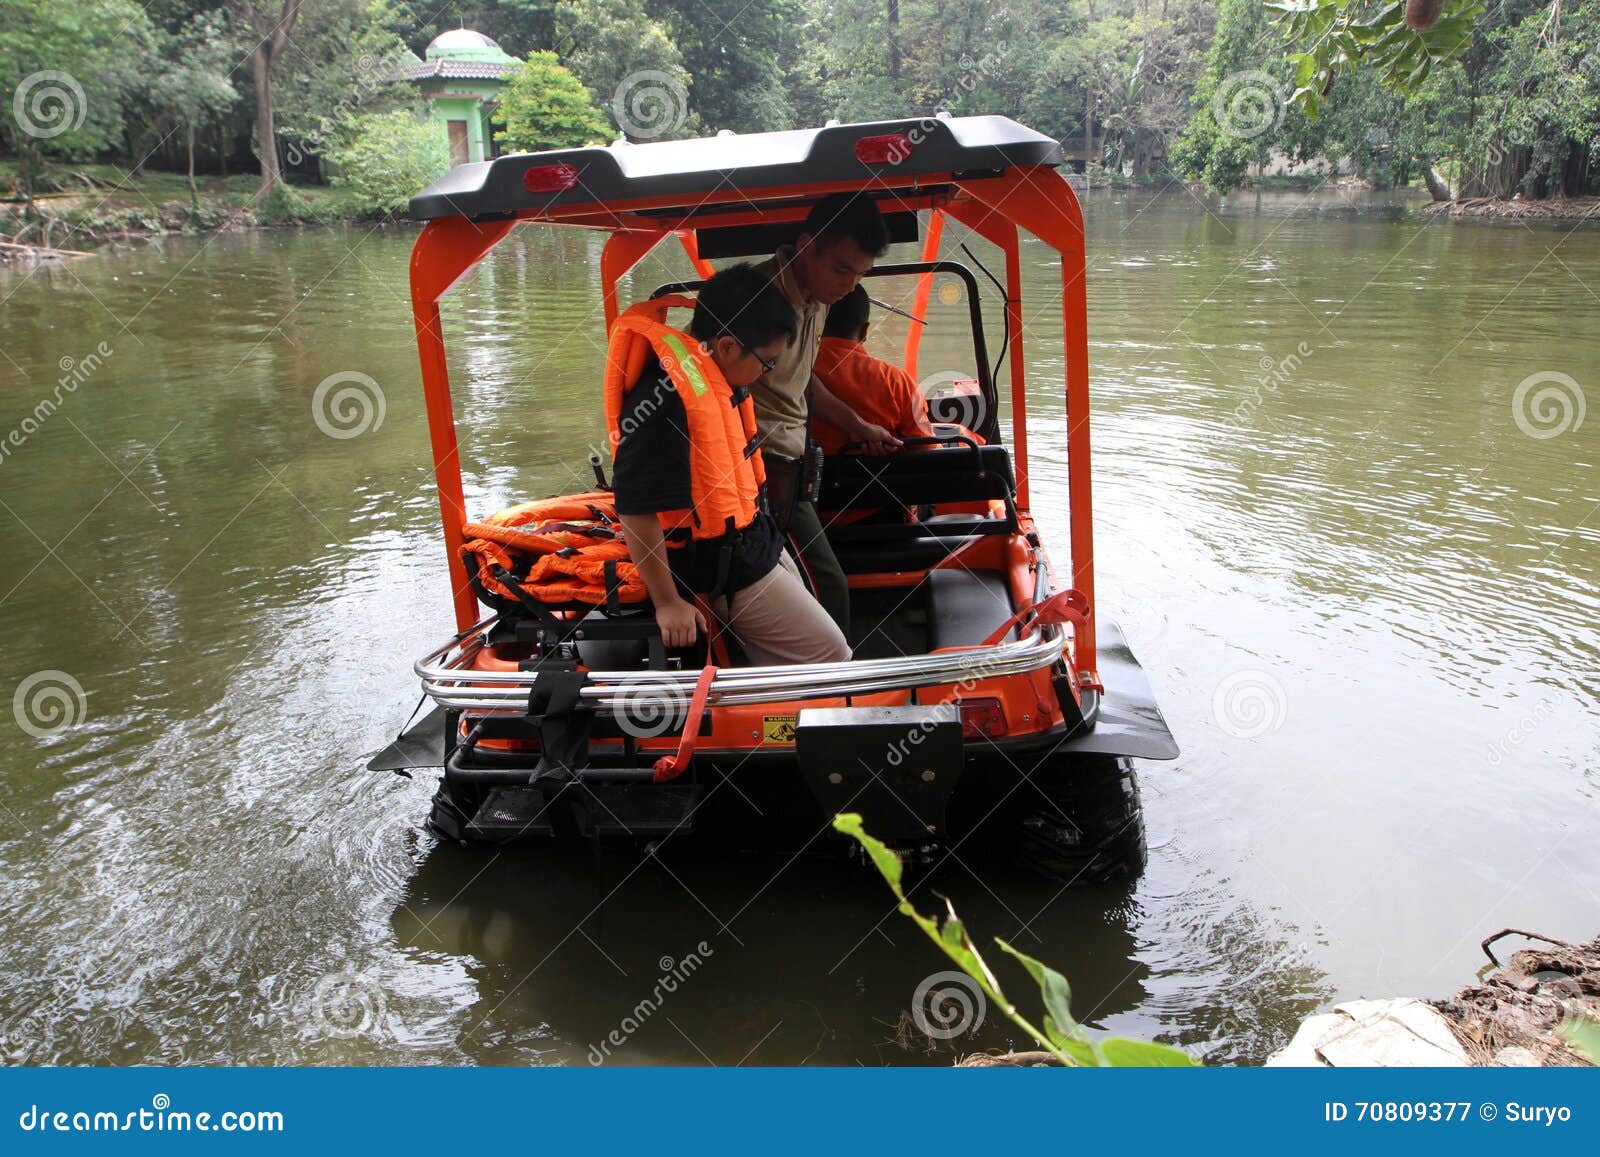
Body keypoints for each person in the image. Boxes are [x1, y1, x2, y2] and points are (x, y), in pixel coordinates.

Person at [608, 263, 851, 666]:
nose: (765, 373)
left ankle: (778, 713)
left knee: (822, 627)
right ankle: (787, 727)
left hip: (749, 545)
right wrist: (667, 603)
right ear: (726, 347)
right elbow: (635, 508)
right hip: (719, 569)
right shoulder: (664, 403)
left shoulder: (711, 381)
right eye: (767, 362)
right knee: (830, 652)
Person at [755, 192, 902, 636]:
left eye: (860, 274)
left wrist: (858, 425)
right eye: (842, 269)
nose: (850, 286)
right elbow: (707, 390)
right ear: (806, 246)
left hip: (793, 465)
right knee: (829, 586)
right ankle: (834, 692)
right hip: (760, 473)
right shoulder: (756, 302)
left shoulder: (816, 298)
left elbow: (805, 381)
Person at [810, 286, 936, 454]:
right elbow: (928, 451)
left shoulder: (791, 374)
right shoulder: (896, 381)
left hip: (812, 478)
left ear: (815, 326)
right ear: (864, 331)